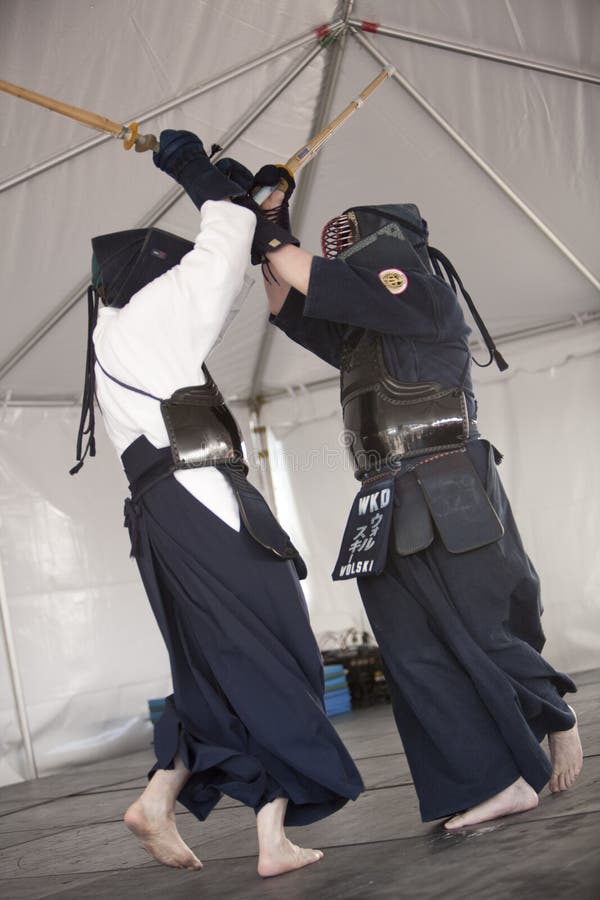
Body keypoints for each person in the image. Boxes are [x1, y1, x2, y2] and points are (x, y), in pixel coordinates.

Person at [70, 130, 363, 876]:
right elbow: (222, 253)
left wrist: (251, 198)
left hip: (167, 515)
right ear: (155, 275)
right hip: (201, 499)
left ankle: (164, 798)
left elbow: (224, 274)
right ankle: (271, 832)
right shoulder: (156, 314)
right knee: (280, 651)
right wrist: (203, 176)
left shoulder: (119, 334)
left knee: (212, 669)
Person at [244, 188, 583, 829]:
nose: (338, 249)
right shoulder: (360, 329)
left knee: (484, 627)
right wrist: (269, 225)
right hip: (381, 493)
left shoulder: (418, 293)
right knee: (411, 650)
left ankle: (555, 715)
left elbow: (296, 268)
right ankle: (498, 780)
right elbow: (284, 296)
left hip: (446, 474)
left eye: (350, 240)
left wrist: (269, 227)